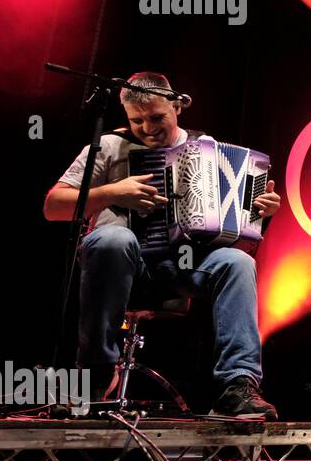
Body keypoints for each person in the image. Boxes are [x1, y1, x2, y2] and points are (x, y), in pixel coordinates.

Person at [43, 71, 282, 419]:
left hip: (181, 267)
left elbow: (239, 234)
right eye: (136, 120)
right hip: (120, 267)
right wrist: (113, 192)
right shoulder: (110, 147)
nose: (147, 128)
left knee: (236, 262)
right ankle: (95, 373)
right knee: (114, 237)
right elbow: (53, 206)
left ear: (177, 106)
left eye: (157, 118)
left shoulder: (205, 148)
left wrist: (262, 211)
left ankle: (238, 386)